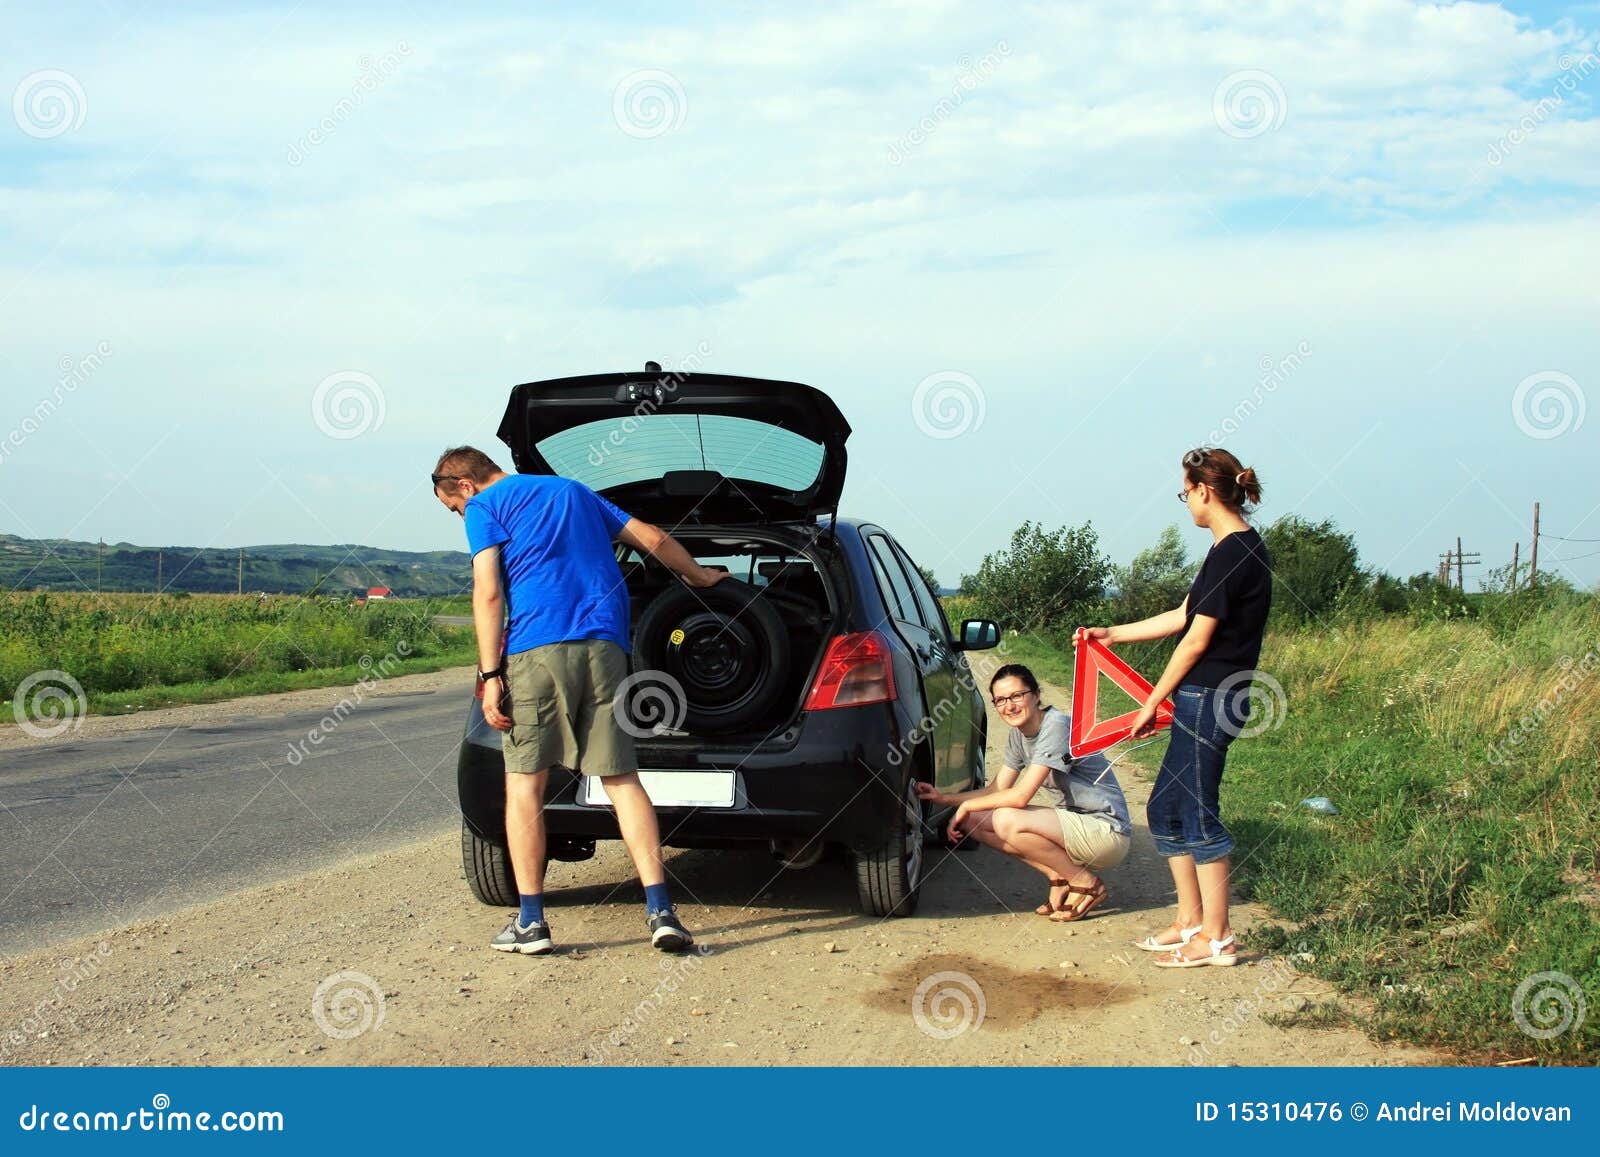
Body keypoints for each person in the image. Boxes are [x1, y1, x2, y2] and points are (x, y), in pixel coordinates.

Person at [431, 446, 727, 956]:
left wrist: (491, 673)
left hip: (536, 649)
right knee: (621, 779)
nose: (460, 515)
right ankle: (661, 912)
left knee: (525, 784)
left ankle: (531, 923)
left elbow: (489, 593)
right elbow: (653, 538)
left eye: (453, 508)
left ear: (463, 484)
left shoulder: (484, 505)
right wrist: (700, 577)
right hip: (605, 646)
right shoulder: (574, 491)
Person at [1078, 447, 1270, 968]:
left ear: (1204, 491)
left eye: (1185, 494)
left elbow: (1195, 641)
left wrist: (1151, 702)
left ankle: (1218, 936)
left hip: (1212, 696)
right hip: (1203, 696)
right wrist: (1111, 634)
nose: (1186, 504)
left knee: (1197, 811)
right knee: (1165, 807)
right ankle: (1190, 921)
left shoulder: (1236, 553)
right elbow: (1184, 614)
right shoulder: (1226, 550)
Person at [915, 664, 1131, 921]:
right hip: (1076, 826)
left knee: (1006, 818)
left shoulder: (1057, 726)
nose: (1009, 706)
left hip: (1106, 831)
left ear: (1036, 695)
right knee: (973, 820)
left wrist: (966, 805)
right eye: (1001, 700)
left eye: (1017, 696)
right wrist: (945, 799)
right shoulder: (1019, 736)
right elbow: (996, 790)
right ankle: (1059, 877)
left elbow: (1020, 797)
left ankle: (1086, 883)